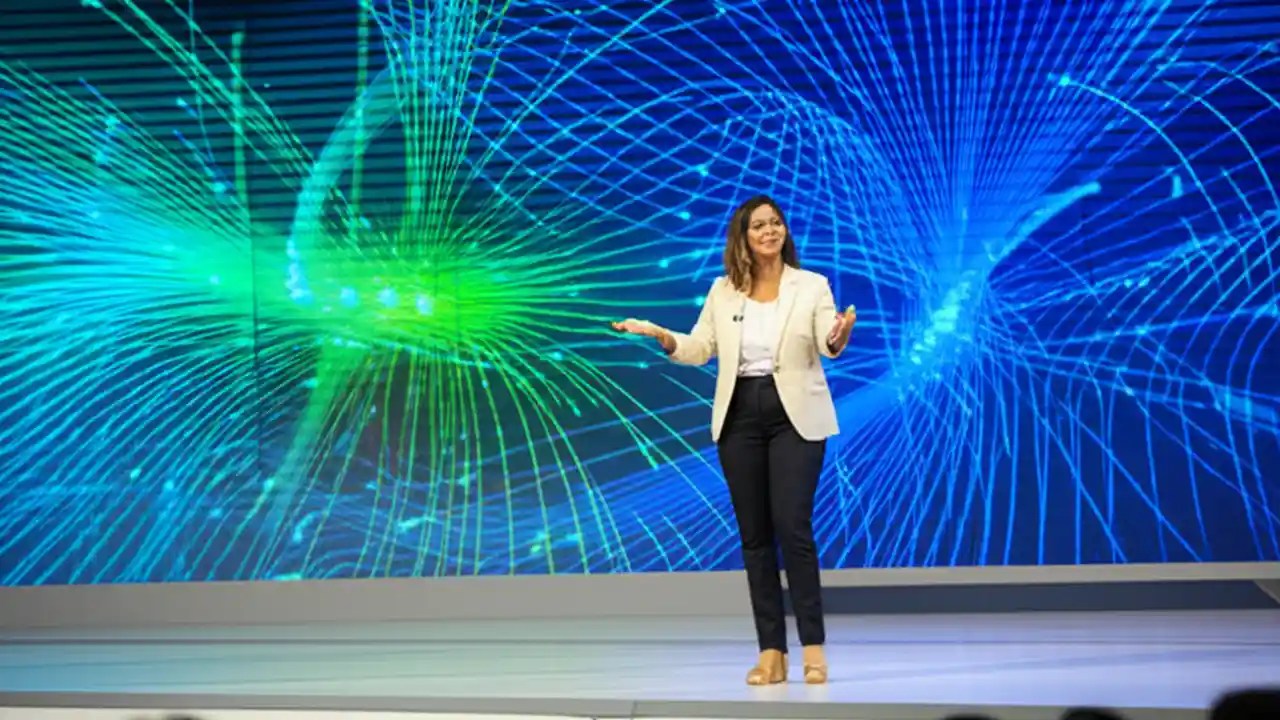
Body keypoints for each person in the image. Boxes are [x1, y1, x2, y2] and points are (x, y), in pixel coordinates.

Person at [612, 194, 855, 686]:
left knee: (793, 527)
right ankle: (771, 652)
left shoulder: (811, 285)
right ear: (742, 236)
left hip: (794, 416)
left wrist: (839, 334)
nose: (770, 231)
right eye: (759, 225)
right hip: (740, 416)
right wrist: (661, 335)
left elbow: (827, 342)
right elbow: (701, 347)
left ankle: (813, 648)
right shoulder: (723, 291)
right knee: (755, 537)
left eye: (776, 223)